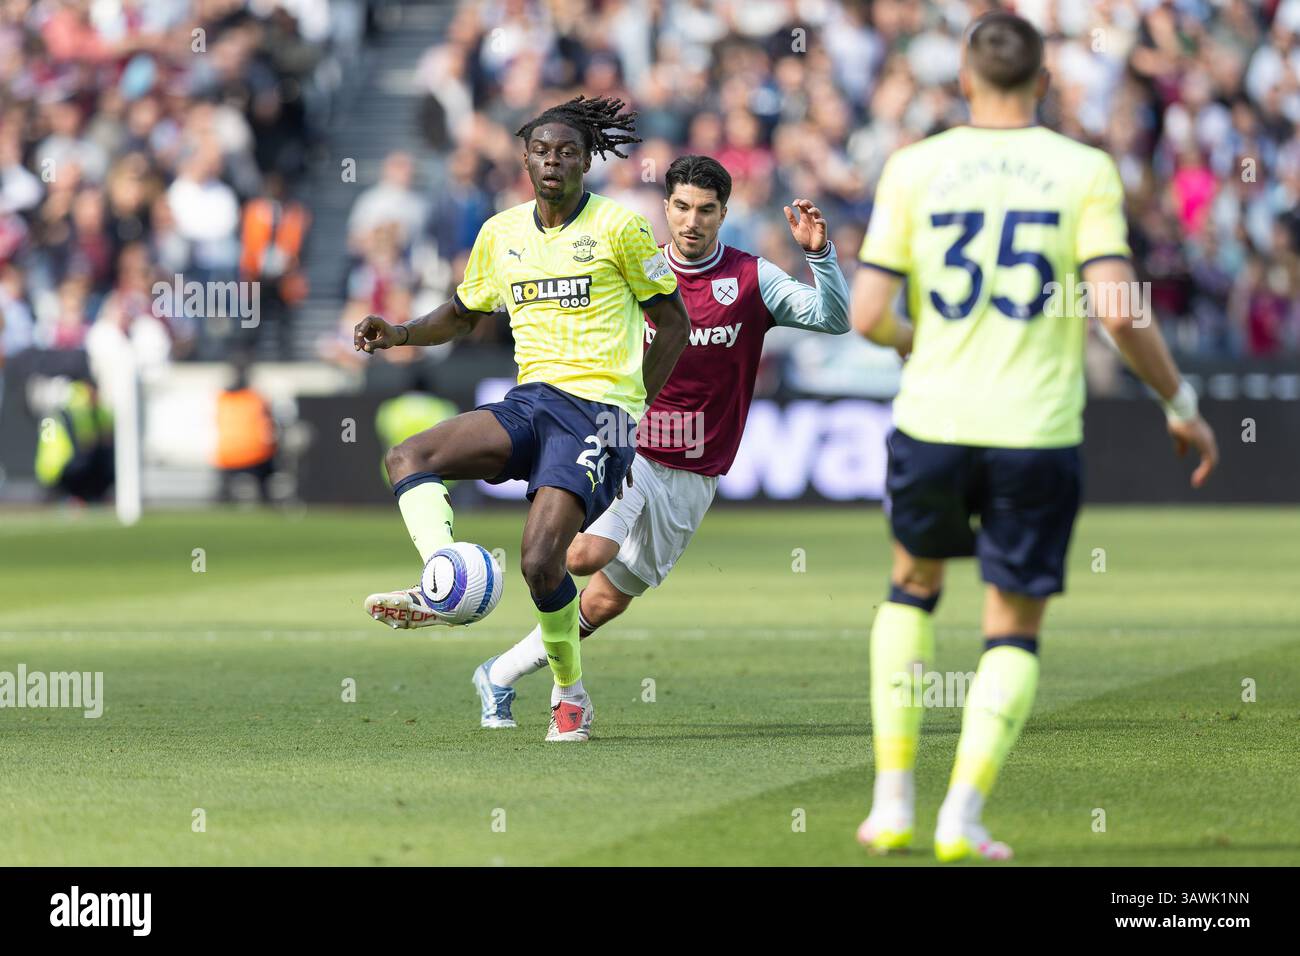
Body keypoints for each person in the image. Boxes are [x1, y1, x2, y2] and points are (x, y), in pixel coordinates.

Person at [849, 11, 1219, 862]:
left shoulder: (914, 166)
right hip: (1033, 429)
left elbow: (869, 315)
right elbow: (1121, 311)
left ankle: (890, 803)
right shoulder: (1081, 169)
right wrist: (1178, 401)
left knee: (910, 588)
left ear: (964, 80)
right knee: (1011, 627)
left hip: (931, 420)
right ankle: (963, 817)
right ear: (1044, 81)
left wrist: (921, 342)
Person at [353, 96, 691, 743]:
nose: (554, 161)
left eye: (567, 151)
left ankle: (569, 694)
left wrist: (629, 418)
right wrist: (395, 330)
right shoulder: (501, 234)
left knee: (542, 561)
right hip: (530, 402)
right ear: (525, 159)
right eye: (542, 151)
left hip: (597, 411)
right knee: (407, 456)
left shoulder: (621, 228)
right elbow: (459, 314)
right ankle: (443, 577)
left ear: (587, 160)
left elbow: (674, 324)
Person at [473, 155, 851, 729]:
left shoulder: (753, 278)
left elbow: (834, 319)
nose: (691, 221)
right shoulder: (636, 270)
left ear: (725, 212)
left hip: (698, 464)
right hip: (626, 436)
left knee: (605, 601)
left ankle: (500, 672)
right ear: (665, 207)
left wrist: (819, 254)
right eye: (680, 207)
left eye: (705, 210)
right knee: (579, 555)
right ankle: (553, 678)